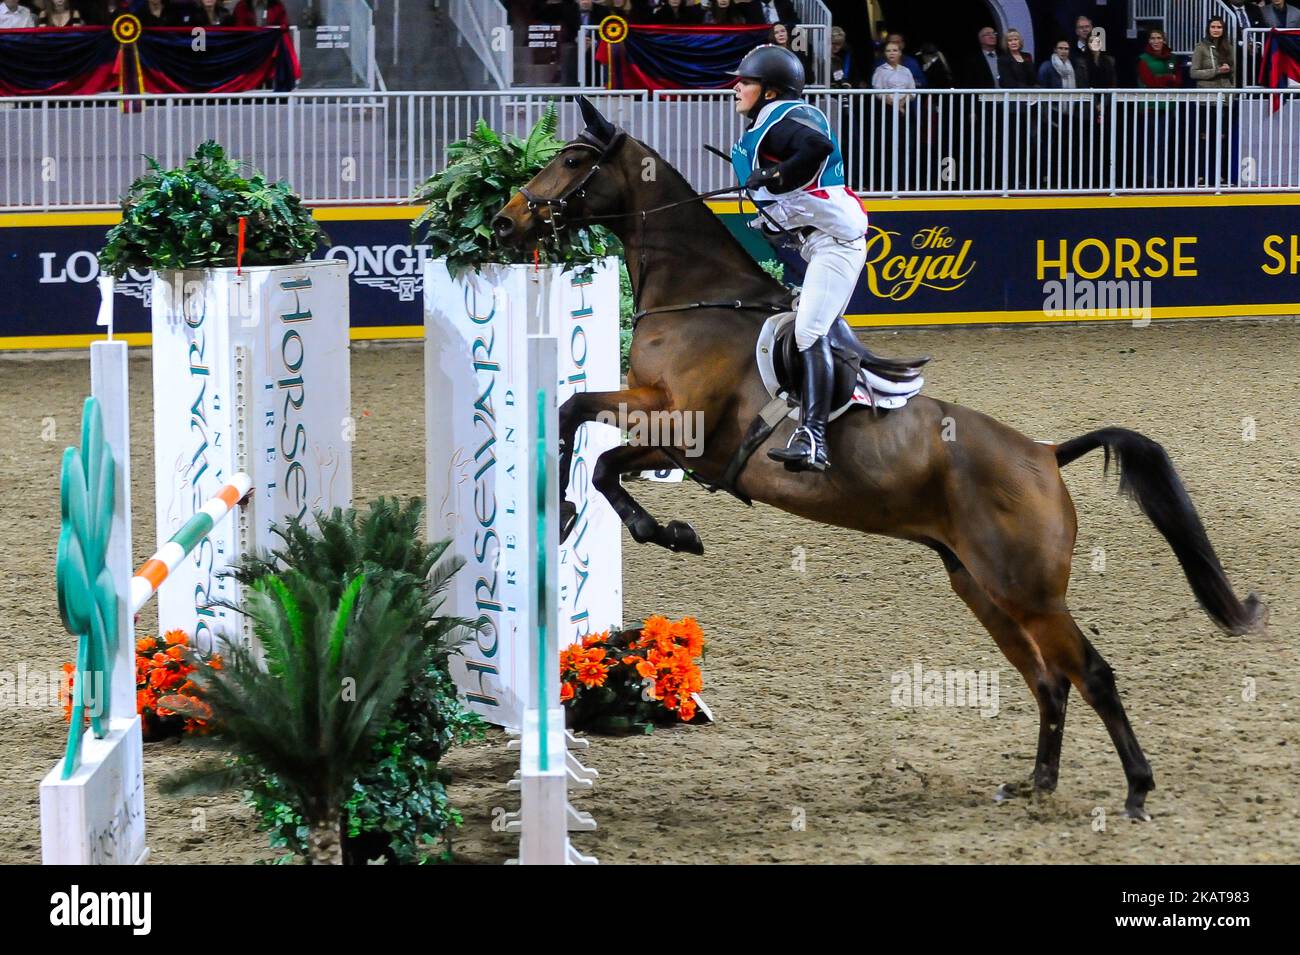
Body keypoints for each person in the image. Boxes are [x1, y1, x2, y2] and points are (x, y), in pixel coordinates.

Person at [728, 44, 869, 472]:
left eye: (746, 82)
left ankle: (814, 440)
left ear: (770, 92)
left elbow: (817, 147)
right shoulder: (767, 126)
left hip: (837, 245)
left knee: (809, 332)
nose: (737, 88)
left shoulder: (782, 119)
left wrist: (773, 174)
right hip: (816, 244)